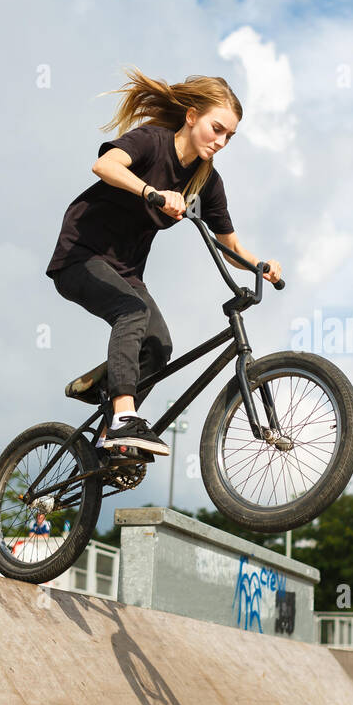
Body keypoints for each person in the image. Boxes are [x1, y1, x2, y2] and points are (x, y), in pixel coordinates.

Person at [46, 68, 283, 457]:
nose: (221, 142)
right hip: (80, 255)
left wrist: (260, 265)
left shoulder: (206, 181)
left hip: (125, 271)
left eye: (229, 136)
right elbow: (104, 166)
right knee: (133, 312)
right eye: (216, 128)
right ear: (192, 117)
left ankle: (109, 437)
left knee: (158, 345)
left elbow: (231, 245)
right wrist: (152, 192)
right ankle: (124, 418)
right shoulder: (152, 142)